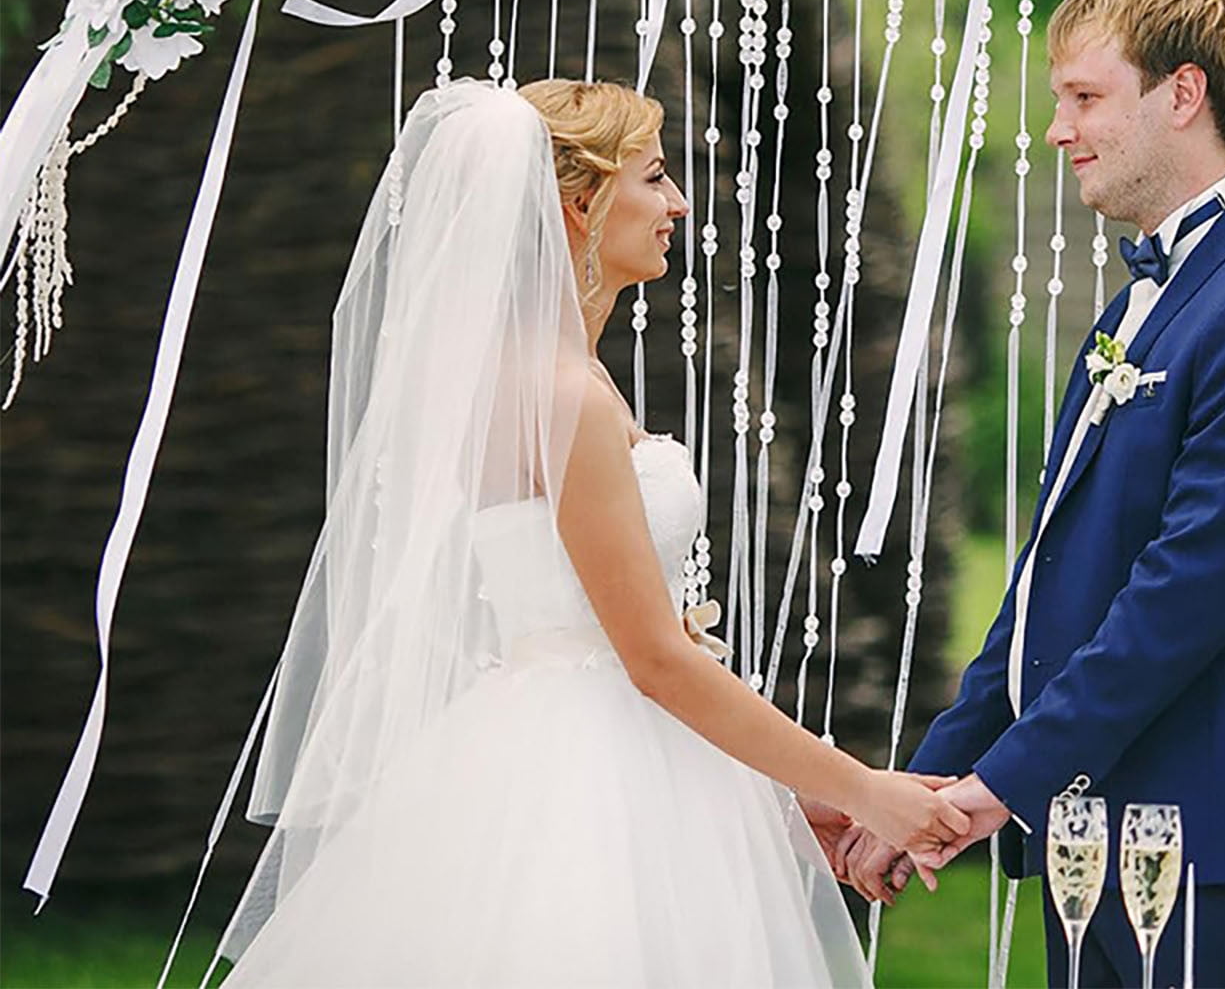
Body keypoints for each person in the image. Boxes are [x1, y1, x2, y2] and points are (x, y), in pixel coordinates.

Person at [214, 77, 967, 988]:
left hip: (609, 751)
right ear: (581, 204)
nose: (678, 203)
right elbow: (651, 658)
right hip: (579, 792)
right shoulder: (560, 395)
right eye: (654, 178)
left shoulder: (565, 376)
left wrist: (780, 804)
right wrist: (863, 787)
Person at [837, 0, 1225, 989]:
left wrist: (994, 790)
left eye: (1085, 97)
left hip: (1210, 827)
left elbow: (1183, 594)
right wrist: (925, 778)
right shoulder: (1147, 295)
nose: (1058, 129)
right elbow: (1053, 583)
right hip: (1099, 818)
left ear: (1184, 94)